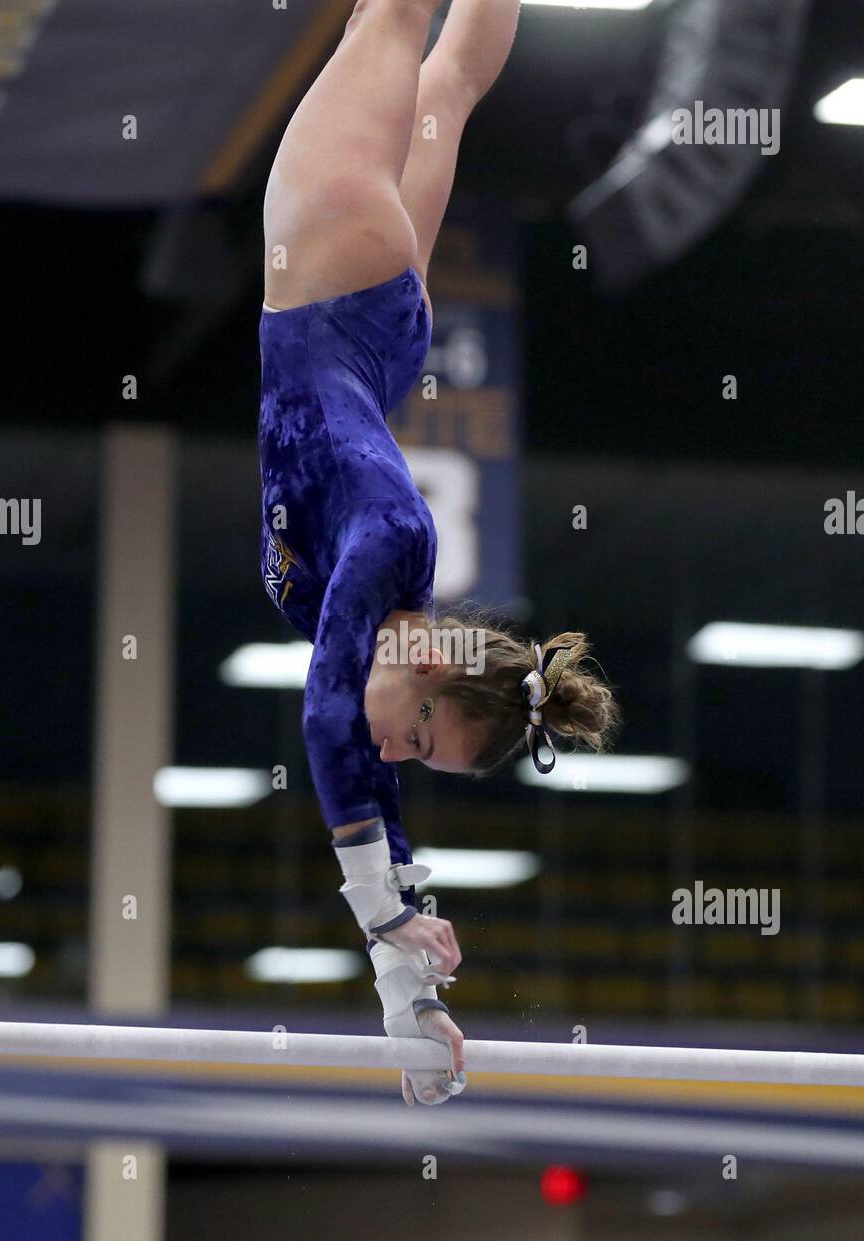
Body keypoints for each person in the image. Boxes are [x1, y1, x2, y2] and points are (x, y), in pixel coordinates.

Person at [258, 0, 616, 1106]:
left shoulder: (374, 620)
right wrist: (385, 931)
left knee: (449, 74)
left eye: (418, 756)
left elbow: (360, 763)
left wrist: (415, 996)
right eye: (419, 732)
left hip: (375, 316)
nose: (394, 750)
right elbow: (329, 725)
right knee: (391, 16)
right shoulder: (388, 545)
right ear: (431, 660)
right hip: (331, 260)